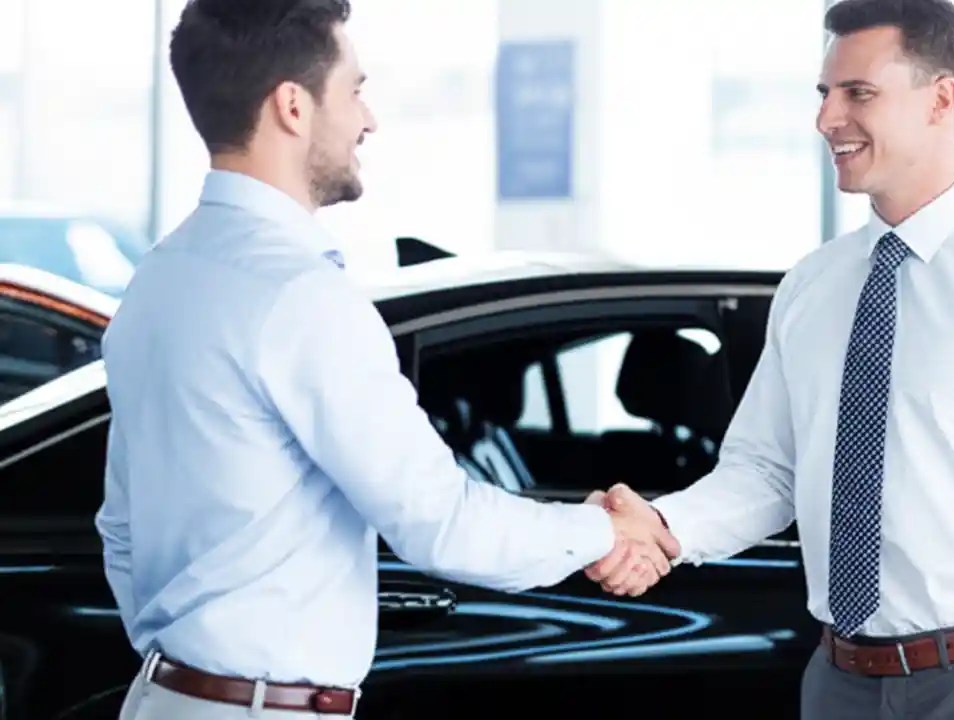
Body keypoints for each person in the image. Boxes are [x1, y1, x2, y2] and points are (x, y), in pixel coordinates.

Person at [95, 1, 675, 718]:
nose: (369, 120)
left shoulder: (159, 278)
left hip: (164, 698)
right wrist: (603, 531)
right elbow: (439, 521)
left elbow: (119, 529)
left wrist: (185, 669)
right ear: (293, 107)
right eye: (356, 90)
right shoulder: (301, 295)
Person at [586, 0, 954, 718]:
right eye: (825, 94)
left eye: (859, 93)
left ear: (939, 99)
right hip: (839, 681)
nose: (827, 120)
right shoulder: (812, 286)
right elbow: (768, 471)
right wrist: (667, 530)